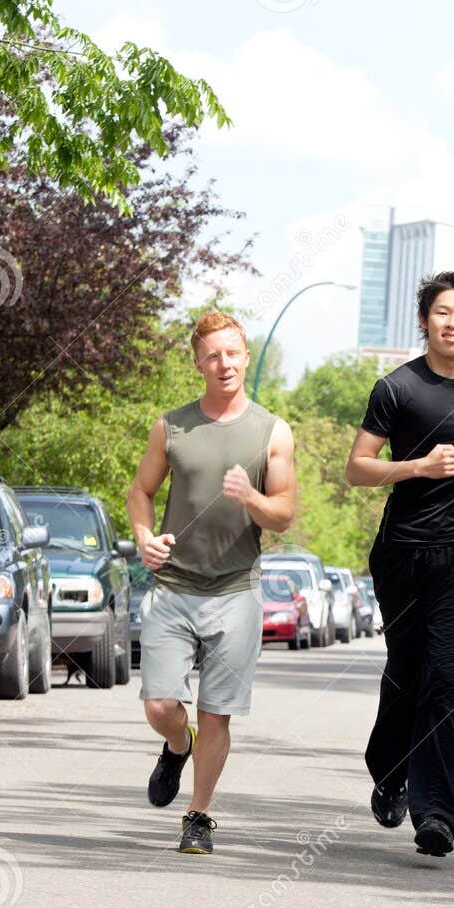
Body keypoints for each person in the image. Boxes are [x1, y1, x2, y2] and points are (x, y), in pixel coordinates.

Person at [345, 270, 454, 857]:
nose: (452, 323)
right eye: (442, 312)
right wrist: (416, 467)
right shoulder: (396, 388)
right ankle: (389, 771)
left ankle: (437, 812)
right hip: (403, 551)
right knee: (408, 670)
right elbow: (357, 467)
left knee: (450, 675)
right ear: (424, 320)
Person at [127, 311, 296, 854]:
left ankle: (198, 816)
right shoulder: (172, 426)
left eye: (232, 353)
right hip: (172, 587)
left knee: (216, 710)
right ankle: (178, 745)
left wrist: (253, 498)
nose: (224, 364)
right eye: (212, 356)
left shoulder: (272, 431)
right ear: (198, 363)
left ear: (246, 356)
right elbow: (141, 491)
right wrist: (143, 536)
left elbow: (284, 513)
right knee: (160, 705)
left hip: (235, 591)